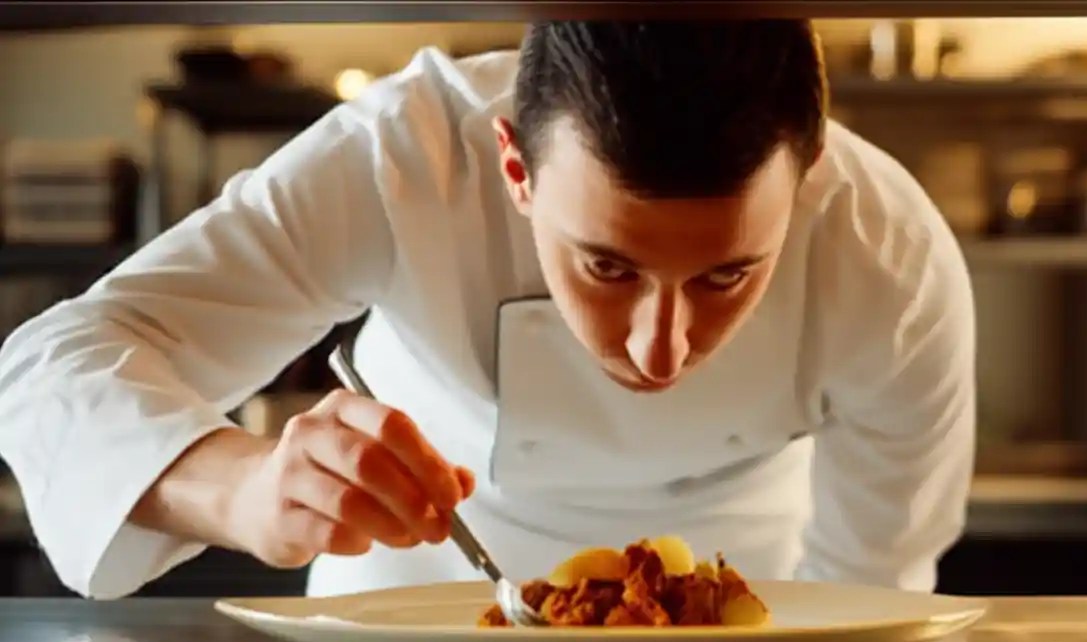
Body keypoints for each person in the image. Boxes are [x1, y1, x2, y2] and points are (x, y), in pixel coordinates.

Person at [0, 20, 975, 600]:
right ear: (512, 169)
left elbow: (867, 596)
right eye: (604, 264)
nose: (659, 348)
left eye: (725, 277)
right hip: (406, 629)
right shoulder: (403, 156)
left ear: (803, 186)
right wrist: (250, 490)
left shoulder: (889, 257)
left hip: (741, 637)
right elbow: (51, 364)